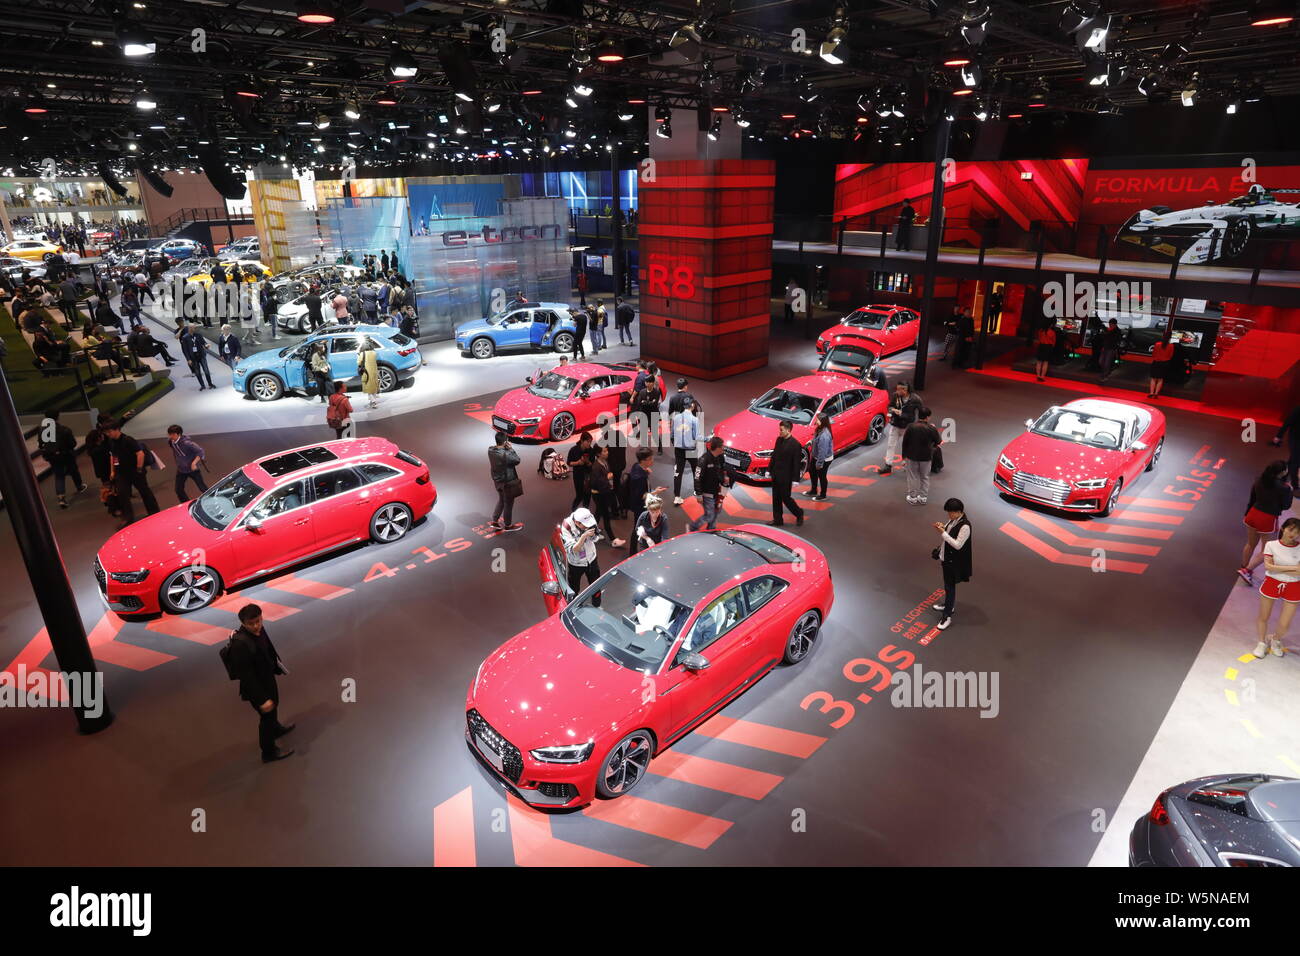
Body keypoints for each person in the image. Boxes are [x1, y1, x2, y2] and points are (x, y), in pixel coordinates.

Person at [225, 603, 295, 764]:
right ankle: (268, 752)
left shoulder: (259, 630)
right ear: (243, 623)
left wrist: (277, 665)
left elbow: (268, 647)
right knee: (266, 718)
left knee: (274, 707)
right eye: (251, 623)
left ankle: (276, 729)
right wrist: (262, 699)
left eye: (259, 620)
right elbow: (246, 677)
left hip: (267, 677)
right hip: (257, 688)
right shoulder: (240, 644)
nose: (256, 625)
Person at [1238, 460, 1293, 584]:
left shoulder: (1259, 480)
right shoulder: (1284, 488)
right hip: (1267, 519)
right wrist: (1289, 491)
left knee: (1250, 544)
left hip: (1252, 514)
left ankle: (1243, 567)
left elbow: (1252, 498)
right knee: (1267, 550)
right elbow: (1286, 506)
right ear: (1283, 472)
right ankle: (1247, 571)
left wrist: (1247, 513)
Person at [1255, 516, 1300, 658]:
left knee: (1285, 623)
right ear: (1283, 528)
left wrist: (1276, 567)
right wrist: (1293, 568)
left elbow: (1299, 571)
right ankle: (1261, 642)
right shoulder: (1271, 545)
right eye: (1290, 529)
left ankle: (1275, 639)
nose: (1293, 534)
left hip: (1294, 586)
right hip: (1272, 582)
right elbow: (1268, 566)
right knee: (1264, 616)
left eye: (1297, 531)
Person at [104, 418, 160, 527]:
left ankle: (154, 512)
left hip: (135, 471)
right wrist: (112, 471)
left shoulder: (128, 440)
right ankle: (128, 517)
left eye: (109, 431)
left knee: (144, 491)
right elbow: (113, 456)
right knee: (122, 494)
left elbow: (140, 454)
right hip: (121, 473)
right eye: (106, 432)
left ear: (117, 429)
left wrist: (139, 469)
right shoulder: (111, 442)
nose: (108, 434)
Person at [932, 498, 972, 630]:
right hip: (946, 559)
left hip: (953, 562)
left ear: (959, 512)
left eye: (950, 513)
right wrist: (943, 528)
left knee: (950, 587)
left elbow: (957, 545)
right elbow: (949, 534)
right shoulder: (953, 520)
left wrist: (943, 532)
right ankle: (949, 605)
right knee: (948, 586)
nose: (948, 515)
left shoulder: (965, 526)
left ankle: (947, 615)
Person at [38, 410, 86, 509]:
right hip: (66, 455)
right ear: (57, 417)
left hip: (52, 457)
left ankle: (61, 498)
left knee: (59, 476)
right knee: (73, 470)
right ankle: (79, 486)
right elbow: (72, 444)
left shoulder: (42, 430)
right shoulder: (64, 430)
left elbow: (41, 443)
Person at [687, 436, 732, 532]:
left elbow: (721, 469)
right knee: (710, 515)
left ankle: (711, 529)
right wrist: (699, 494)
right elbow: (697, 478)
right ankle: (693, 527)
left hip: (717, 491)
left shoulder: (720, 458)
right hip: (706, 493)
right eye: (722, 447)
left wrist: (724, 478)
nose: (724, 448)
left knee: (717, 510)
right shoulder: (703, 460)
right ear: (718, 448)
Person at [768, 420, 805, 527]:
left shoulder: (795, 445)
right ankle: (778, 520)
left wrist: (795, 479)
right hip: (776, 475)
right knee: (776, 498)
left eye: (781, 430)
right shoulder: (779, 440)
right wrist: (769, 469)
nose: (779, 432)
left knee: (786, 498)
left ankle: (799, 513)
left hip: (786, 478)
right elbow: (774, 456)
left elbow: (796, 464)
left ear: (788, 430)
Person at [560, 508, 602, 603]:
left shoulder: (589, 518)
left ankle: (597, 604)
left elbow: (596, 538)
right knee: (574, 588)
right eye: (584, 525)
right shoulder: (566, 526)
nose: (587, 526)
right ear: (577, 522)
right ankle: (573, 606)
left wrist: (593, 535)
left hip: (591, 558)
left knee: (596, 585)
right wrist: (583, 537)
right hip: (576, 563)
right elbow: (574, 550)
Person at [902, 406, 942, 505]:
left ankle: (912, 497)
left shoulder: (911, 427)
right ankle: (923, 497)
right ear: (928, 417)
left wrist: (903, 457)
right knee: (925, 477)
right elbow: (938, 441)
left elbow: (905, 442)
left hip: (912, 456)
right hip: (926, 457)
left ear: (918, 415)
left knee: (912, 477)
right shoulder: (931, 428)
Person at [879, 381, 921, 475]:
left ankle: (907, 465)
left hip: (908, 426)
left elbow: (921, 412)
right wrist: (893, 410)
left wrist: (902, 414)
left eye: (899, 389)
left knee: (908, 447)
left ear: (905, 390)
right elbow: (889, 407)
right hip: (896, 424)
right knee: (890, 445)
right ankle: (888, 465)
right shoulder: (895, 396)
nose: (897, 391)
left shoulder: (915, 399)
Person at [488, 431, 524, 532]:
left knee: (501, 500)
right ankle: (508, 525)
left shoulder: (491, 450)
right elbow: (517, 460)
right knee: (508, 504)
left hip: (497, 481)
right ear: (505, 442)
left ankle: (495, 521)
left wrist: (505, 448)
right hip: (507, 482)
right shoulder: (505, 454)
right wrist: (511, 449)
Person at [671, 399, 703, 505]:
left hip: (678, 450)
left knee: (677, 472)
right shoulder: (694, 419)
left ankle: (677, 497)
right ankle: (697, 492)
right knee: (696, 470)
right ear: (692, 405)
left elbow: (672, 435)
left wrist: (676, 444)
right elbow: (697, 436)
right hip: (691, 449)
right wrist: (708, 438)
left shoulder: (675, 418)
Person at [589, 444, 621, 545]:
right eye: (604, 451)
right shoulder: (596, 467)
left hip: (605, 492)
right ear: (598, 454)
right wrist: (606, 478)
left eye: (607, 450)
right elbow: (594, 483)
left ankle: (590, 534)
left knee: (598, 514)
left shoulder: (604, 462)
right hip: (599, 495)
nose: (607, 453)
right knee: (606, 516)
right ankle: (613, 540)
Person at [167, 425, 208, 502]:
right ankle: (185, 503)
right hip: (181, 470)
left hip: (193, 470)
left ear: (178, 434)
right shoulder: (171, 442)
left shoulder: (187, 443)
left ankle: (213, 499)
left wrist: (194, 463)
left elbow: (200, 451)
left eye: (172, 434)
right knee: (178, 490)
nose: (170, 436)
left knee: (202, 487)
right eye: (169, 434)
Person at [806, 412, 833, 501]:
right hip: (816, 456)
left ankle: (823, 495)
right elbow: (816, 439)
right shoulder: (819, 429)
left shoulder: (824, 436)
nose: (816, 421)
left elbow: (823, 452)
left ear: (822, 421)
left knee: (822, 476)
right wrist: (811, 442)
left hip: (823, 459)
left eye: (817, 419)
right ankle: (813, 490)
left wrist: (819, 463)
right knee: (812, 471)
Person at [180, 324, 215, 389]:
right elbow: (185, 350)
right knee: (197, 372)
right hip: (193, 357)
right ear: (189, 328)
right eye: (193, 328)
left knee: (206, 370)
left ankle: (210, 384)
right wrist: (188, 359)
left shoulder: (198, 335)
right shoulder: (185, 337)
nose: (195, 329)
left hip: (201, 355)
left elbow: (203, 342)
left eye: (195, 327)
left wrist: (206, 345)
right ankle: (202, 385)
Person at [567, 431, 594, 509]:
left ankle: (585, 510)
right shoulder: (573, 450)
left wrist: (587, 462)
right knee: (579, 495)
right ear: (582, 441)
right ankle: (574, 510)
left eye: (590, 442)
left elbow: (592, 464)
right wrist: (578, 462)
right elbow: (569, 463)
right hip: (578, 476)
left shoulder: (591, 451)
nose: (589, 444)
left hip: (588, 476)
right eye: (588, 442)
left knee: (588, 495)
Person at [357, 337, 381, 408]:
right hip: (374, 371)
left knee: (368, 387)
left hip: (366, 372)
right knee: (373, 386)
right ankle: (373, 401)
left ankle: (373, 402)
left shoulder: (362, 354)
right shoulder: (374, 353)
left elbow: (358, 363)